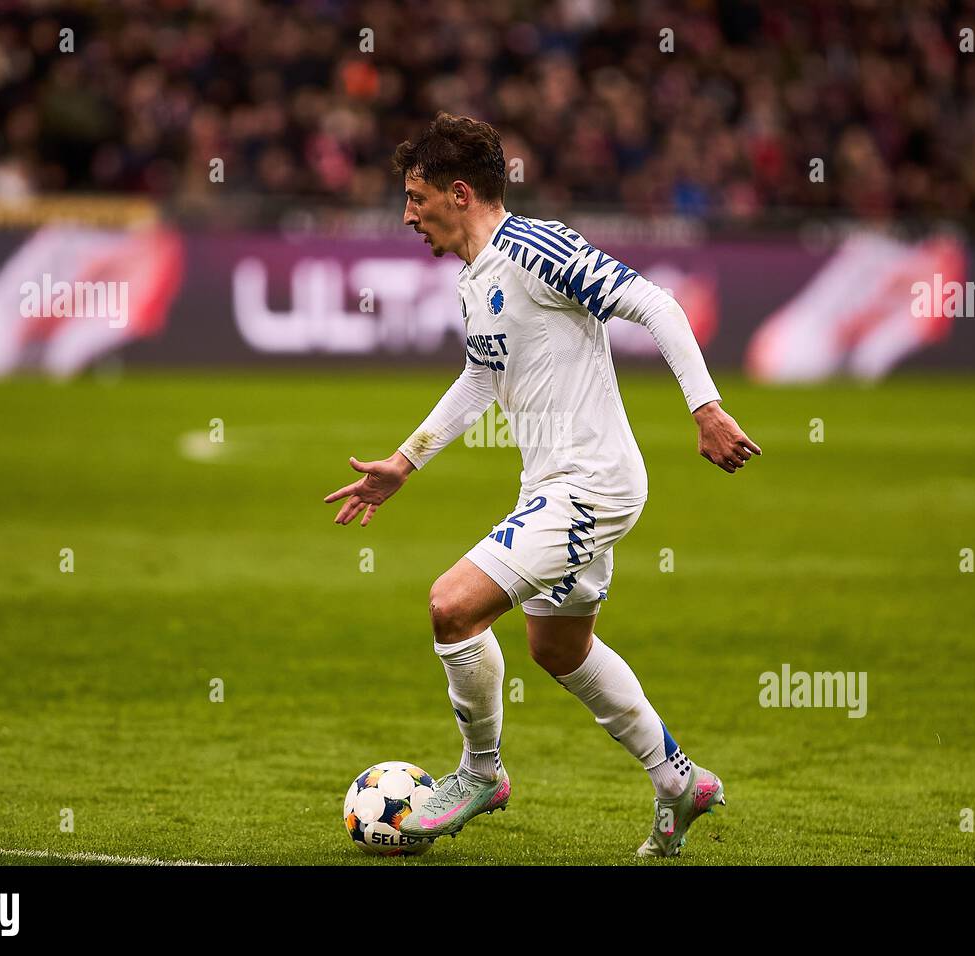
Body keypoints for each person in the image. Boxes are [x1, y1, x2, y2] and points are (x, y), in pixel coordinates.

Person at [323, 112, 761, 856]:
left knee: (450, 607)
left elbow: (656, 303)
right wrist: (406, 460)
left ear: (459, 194)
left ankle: (480, 774)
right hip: (553, 483)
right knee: (559, 650)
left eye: (416, 196)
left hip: (590, 485)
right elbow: (480, 376)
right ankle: (679, 781)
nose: (407, 214)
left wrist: (706, 408)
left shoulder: (537, 249)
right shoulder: (475, 278)